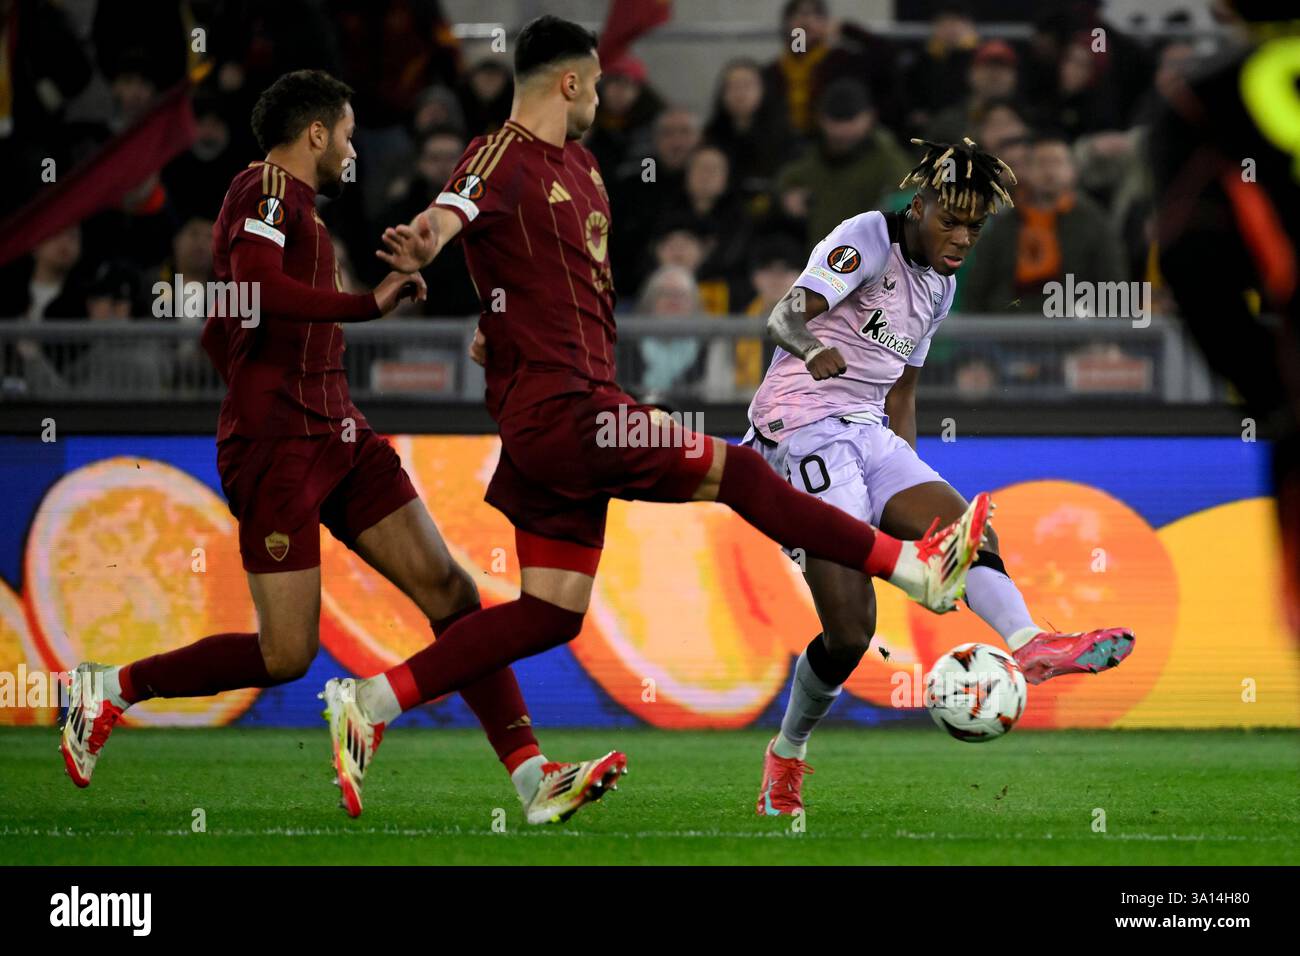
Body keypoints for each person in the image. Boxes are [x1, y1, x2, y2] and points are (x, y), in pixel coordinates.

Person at [341, 15, 995, 814]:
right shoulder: (499, 152)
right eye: (600, 82)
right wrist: (424, 246)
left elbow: (541, 279)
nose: (606, 95)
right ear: (571, 81)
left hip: (558, 414)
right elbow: (451, 215)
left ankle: (374, 704)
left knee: (550, 612)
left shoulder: (581, 165)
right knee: (743, 469)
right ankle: (915, 570)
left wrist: (498, 323)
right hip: (574, 413)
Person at [58, 69, 622, 828]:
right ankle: (111, 688)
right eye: (349, 134)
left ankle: (533, 780)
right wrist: (363, 307)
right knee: (287, 654)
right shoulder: (260, 190)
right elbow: (254, 287)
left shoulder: (303, 215)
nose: (355, 149)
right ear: (316, 132)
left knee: (451, 593)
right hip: (279, 449)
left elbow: (220, 324)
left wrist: (268, 369)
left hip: (340, 433)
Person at [745, 138, 1135, 815]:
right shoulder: (867, 236)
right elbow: (782, 317)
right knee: (849, 633)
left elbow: (903, 394)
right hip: (798, 425)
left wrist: (908, 469)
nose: (961, 237)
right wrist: (812, 350)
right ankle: (787, 753)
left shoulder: (942, 286)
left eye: (975, 227)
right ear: (918, 206)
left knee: (961, 525)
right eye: (949, 220)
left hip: (867, 428)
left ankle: (1029, 642)